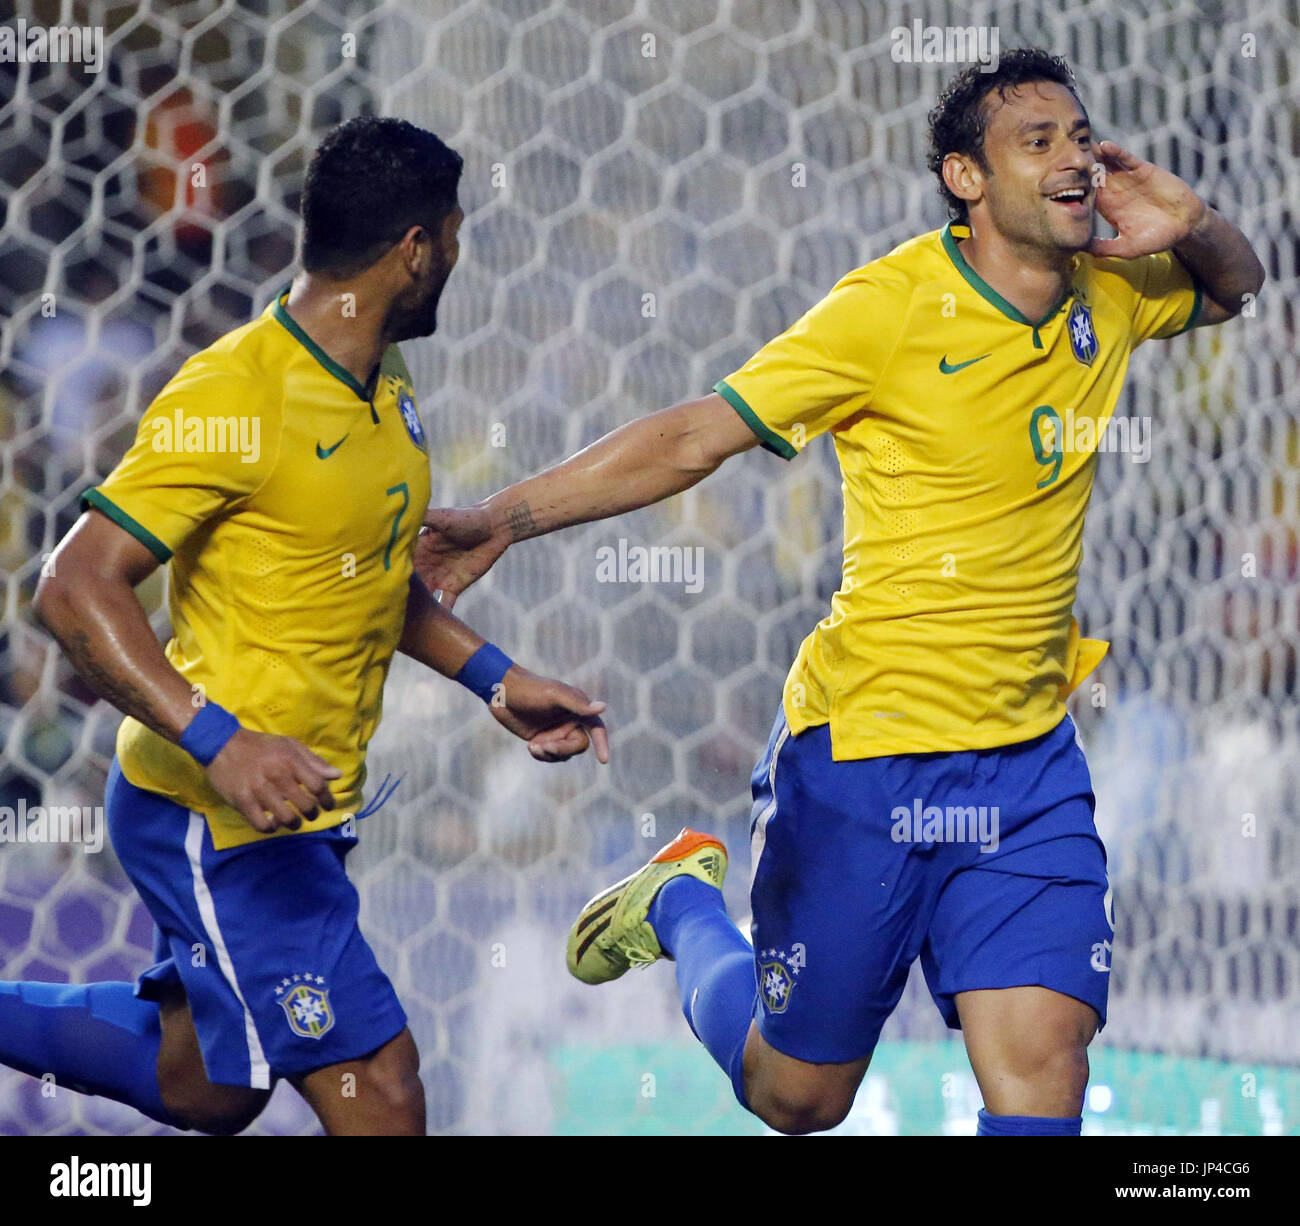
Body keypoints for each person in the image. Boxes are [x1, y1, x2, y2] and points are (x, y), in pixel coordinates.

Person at [413, 50, 1264, 1136]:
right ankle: (679, 898)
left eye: (1080, 135)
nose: (1073, 157)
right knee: (796, 1096)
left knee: (1043, 1067)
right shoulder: (888, 309)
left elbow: (1235, 286)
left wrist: (1190, 218)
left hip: (1026, 763)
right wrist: (501, 517)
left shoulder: (1113, 286)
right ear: (966, 178)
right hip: (866, 751)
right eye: (1036, 140)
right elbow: (690, 437)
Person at [7, 116, 608, 1136]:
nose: (456, 261)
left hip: (300, 808)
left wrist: (496, 678)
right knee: (382, 1086)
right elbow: (73, 586)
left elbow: (365, 583)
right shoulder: (234, 394)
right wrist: (220, 739)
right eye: (453, 239)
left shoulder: (386, 385)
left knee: (208, 1083)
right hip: (214, 813)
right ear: (415, 248)